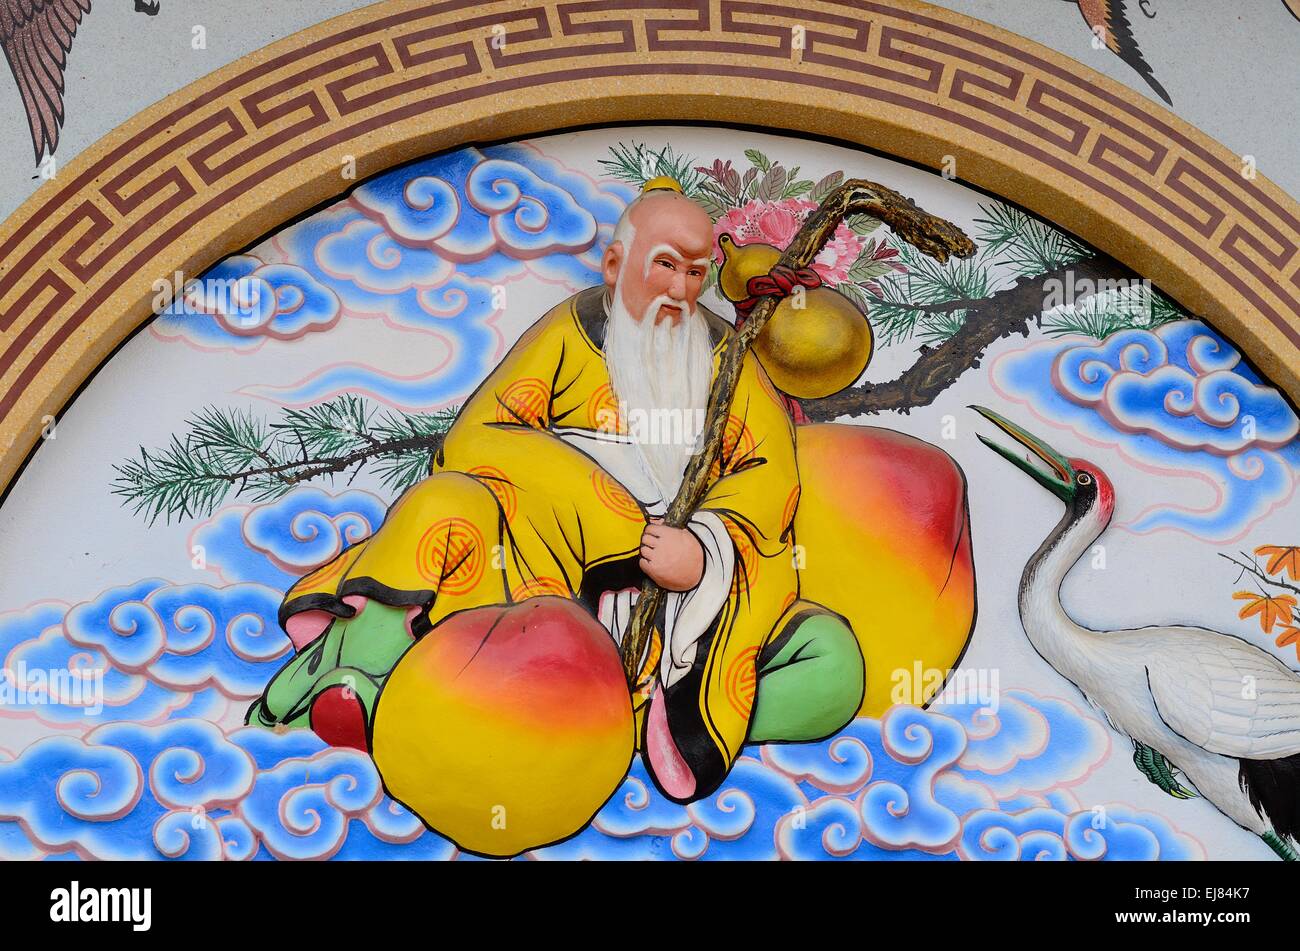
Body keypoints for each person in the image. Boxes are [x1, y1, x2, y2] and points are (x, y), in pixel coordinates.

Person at [247, 178, 865, 804]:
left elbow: (770, 477)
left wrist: (704, 551)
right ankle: (363, 687)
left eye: (696, 273)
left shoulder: (728, 361)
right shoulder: (569, 334)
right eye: (665, 266)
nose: (679, 290)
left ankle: (631, 727)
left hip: (687, 602)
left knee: (833, 663)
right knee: (440, 507)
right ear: (615, 263)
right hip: (537, 566)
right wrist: (600, 503)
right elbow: (477, 439)